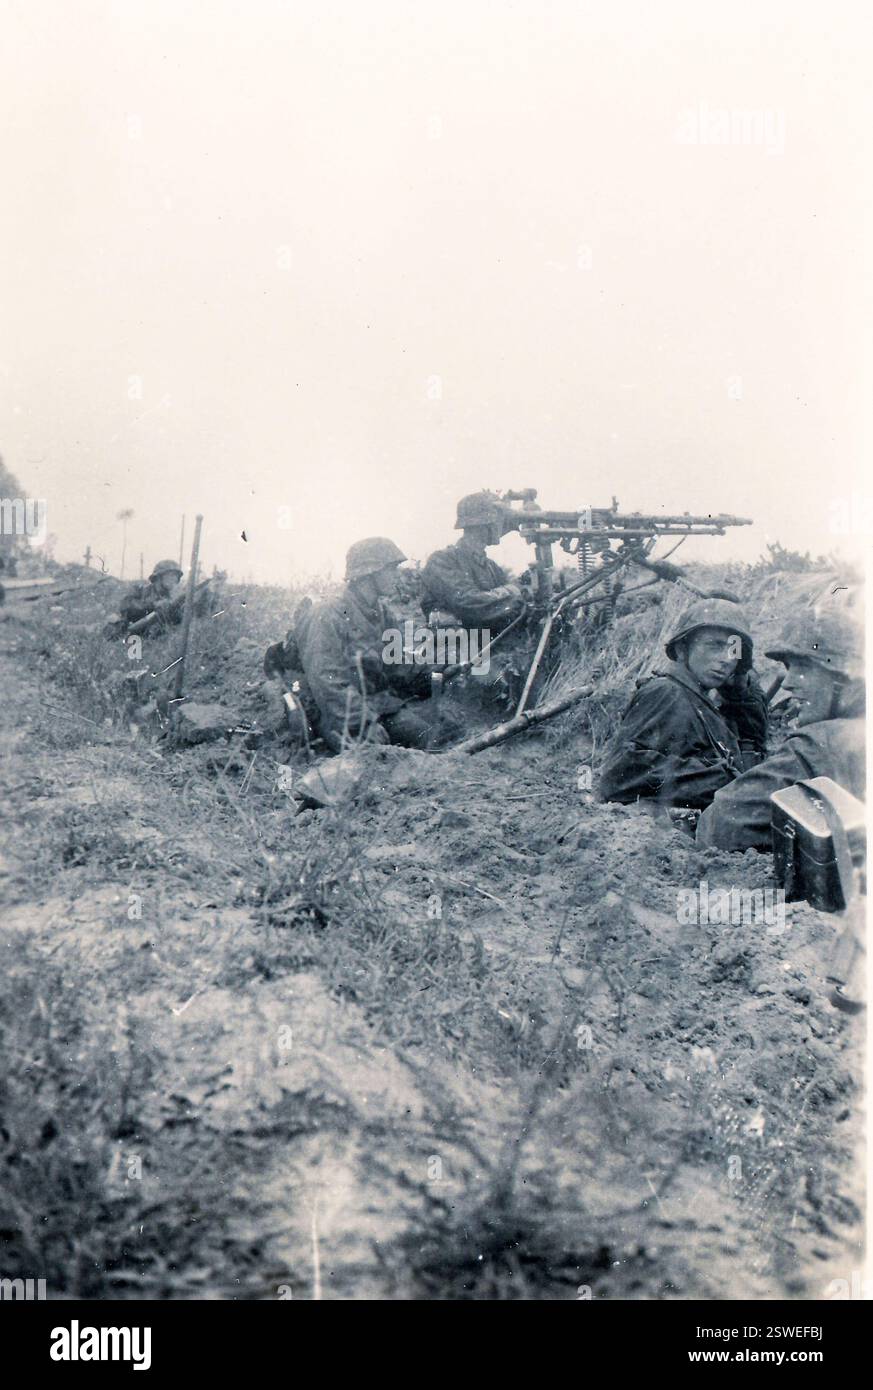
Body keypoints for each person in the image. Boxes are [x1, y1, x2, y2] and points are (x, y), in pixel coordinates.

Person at [697, 591, 865, 851]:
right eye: (788, 668)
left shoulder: (821, 744)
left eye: (803, 668)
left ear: (844, 677)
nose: (787, 682)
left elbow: (719, 826)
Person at [293, 537, 462, 752]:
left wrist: (436, 672)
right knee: (428, 740)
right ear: (370, 573)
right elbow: (327, 680)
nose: (398, 576)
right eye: (391, 569)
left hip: (376, 703)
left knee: (445, 730)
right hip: (336, 712)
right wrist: (363, 722)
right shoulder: (327, 613)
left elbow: (398, 667)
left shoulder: (382, 614)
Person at [598, 599, 769, 810]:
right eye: (714, 645)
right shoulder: (667, 692)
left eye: (734, 651)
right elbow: (620, 774)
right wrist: (721, 778)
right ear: (681, 649)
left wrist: (741, 693)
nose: (726, 659)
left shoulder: (702, 701)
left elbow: (753, 748)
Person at [117, 559, 184, 633]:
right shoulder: (140, 590)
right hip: (129, 633)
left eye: (176, 576)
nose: (174, 579)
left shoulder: (170, 599)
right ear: (159, 576)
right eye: (171, 575)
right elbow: (125, 606)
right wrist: (153, 605)